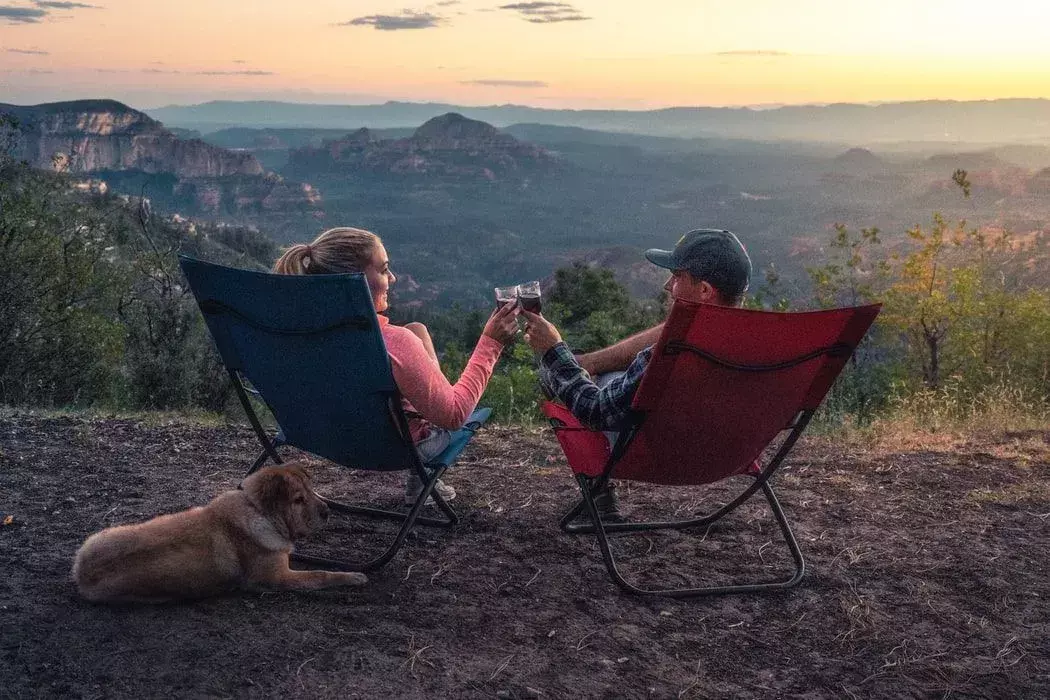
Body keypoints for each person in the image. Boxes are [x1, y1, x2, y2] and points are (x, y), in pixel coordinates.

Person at [273, 227, 520, 505]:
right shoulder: (394, 345)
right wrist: (491, 342)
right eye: (383, 269)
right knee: (446, 405)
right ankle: (421, 476)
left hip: (321, 437)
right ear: (355, 280)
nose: (393, 278)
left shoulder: (291, 333)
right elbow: (454, 415)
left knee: (417, 329)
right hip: (392, 448)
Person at [522, 229, 752, 519]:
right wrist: (586, 362)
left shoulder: (672, 355)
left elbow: (595, 410)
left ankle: (599, 496)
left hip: (658, 454)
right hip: (731, 454)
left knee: (588, 381)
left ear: (705, 291)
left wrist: (554, 351)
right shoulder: (767, 346)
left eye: (678, 276)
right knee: (600, 373)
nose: (668, 285)